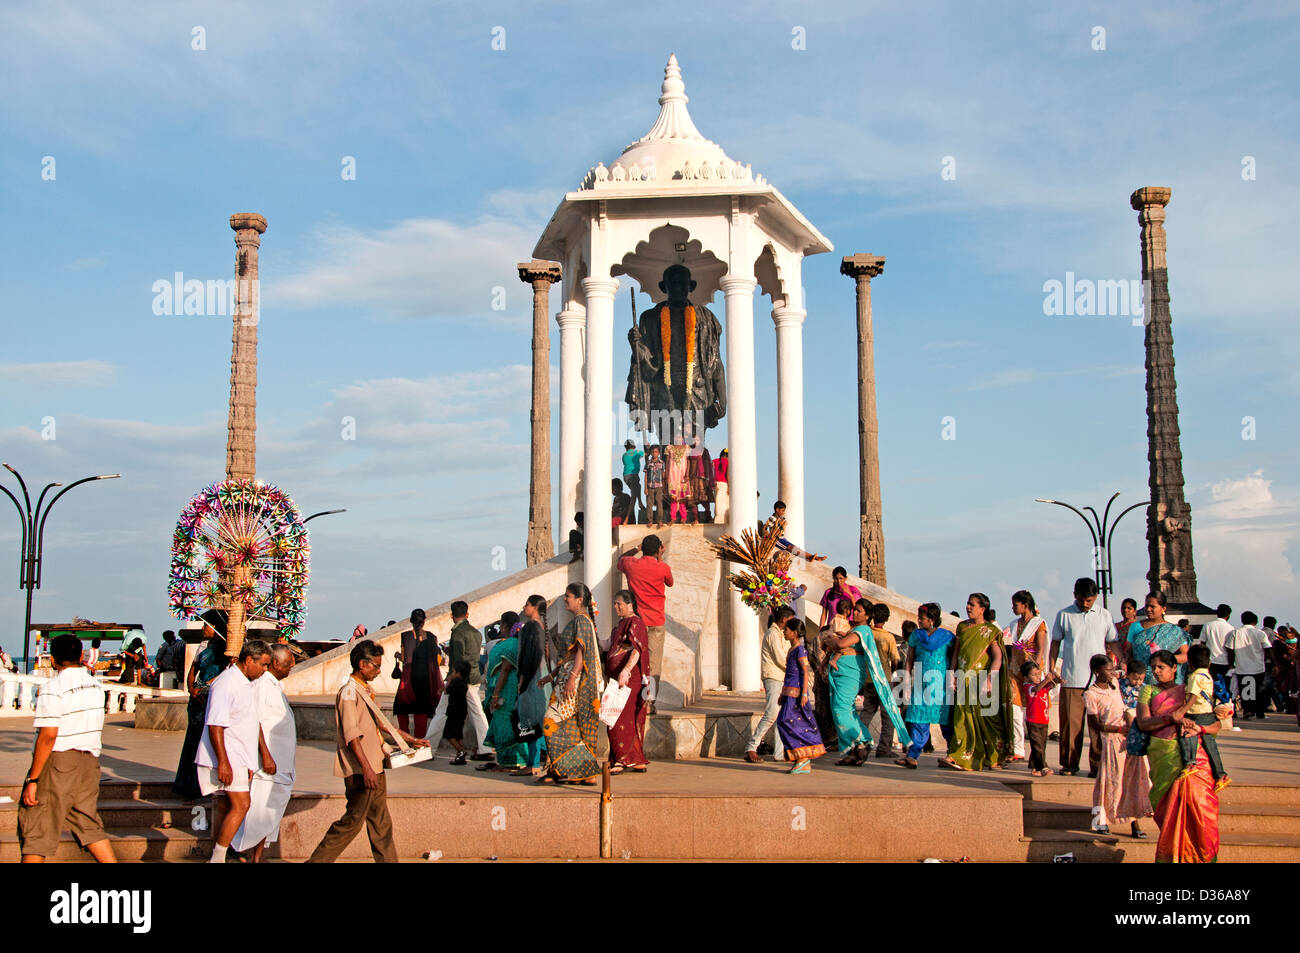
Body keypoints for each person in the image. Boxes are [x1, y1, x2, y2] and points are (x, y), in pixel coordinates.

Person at [308, 640, 429, 863]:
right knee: (351, 822)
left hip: (374, 766)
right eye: (375, 666)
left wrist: (411, 740)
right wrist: (366, 769)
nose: (378, 670)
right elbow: (352, 735)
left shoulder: (363, 690)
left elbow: (382, 724)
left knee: (380, 822)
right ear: (362, 664)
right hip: (362, 770)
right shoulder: (349, 693)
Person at [17, 634, 116, 864]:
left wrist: (33, 779)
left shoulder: (54, 688)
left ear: (53, 660)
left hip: (59, 762)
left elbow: (48, 736)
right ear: (81, 655)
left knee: (37, 827)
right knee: (87, 823)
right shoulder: (96, 686)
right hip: (89, 762)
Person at [1135, 649, 1222, 862]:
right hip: (1163, 754)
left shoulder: (1189, 691)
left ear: (1175, 668)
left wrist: (1200, 729)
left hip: (1193, 757)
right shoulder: (1148, 691)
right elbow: (1143, 723)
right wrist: (1170, 719)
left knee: (1202, 809)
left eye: (1161, 667)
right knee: (1169, 811)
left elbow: (1215, 724)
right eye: (1153, 667)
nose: (1156, 672)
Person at [196, 638, 272, 863]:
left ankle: (219, 852)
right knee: (242, 804)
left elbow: (247, 723)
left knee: (225, 804)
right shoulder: (227, 683)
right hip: (228, 756)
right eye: (263, 665)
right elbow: (215, 724)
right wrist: (224, 762)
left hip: (238, 756)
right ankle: (218, 857)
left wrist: (250, 761)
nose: (265, 670)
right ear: (249, 660)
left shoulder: (245, 682)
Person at [231, 643, 297, 862]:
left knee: (269, 817)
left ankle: (256, 857)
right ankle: (238, 852)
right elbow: (254, 722)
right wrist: (266, 755)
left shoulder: (274, 686)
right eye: (289, 662)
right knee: (259, 816)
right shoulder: (261, 686)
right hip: (267, 765)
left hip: (281, 764)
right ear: (276, 664)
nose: (292, 666)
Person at [1050, 577, 1117, 776]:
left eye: (1089, 600)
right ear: (1075, 596)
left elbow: (1113, 641)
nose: (1085, 604)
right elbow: (1055, 643)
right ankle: (1069, 764)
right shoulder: (1064, 615)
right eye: (1082, 600)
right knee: (1071, 725)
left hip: (1099, 682)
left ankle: (1097, 767)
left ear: (1096, 597)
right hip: (1072, 677)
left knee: (1098, 727)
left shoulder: (1104, 615)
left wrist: (1120, 662)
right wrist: (1052, 668)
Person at [538, 583, 602, 784]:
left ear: (580, 600)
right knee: (573, 727)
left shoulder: (582, 621)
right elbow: (571, 654)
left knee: (551, 721)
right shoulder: (580, 621)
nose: (565, 599)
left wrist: (572, 678)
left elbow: (581, 652)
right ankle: (577, 771)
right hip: (568, 679)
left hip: (575, 683)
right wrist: (552, 675)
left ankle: (575, 771)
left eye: (568, 596)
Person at [943, 593, 1009, 771]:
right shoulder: (962, 627)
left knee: (987, 720)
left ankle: (993, 757)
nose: (968, 607)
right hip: (963, 679)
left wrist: (990, 678)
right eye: (967, 603)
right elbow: (957, 651)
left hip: (981, 681)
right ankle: (957, 756)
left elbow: (997, 657)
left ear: (982, 608)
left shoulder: (991, 631)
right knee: (961, 719)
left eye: (972, 604)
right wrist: (952, 673)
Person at [425, 602, 493, 760]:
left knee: (441, 714)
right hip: (473, 677)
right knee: (477, 714)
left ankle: (429, 748)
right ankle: (485, 748)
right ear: (467, 614)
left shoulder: (457, 633)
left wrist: (448, 683)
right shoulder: (476, 633)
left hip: (459, 680)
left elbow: (458, 662)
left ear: (451, 615)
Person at [172, 624, 227, 799]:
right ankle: (187, 783)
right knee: (192, 739)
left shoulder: (227, 649)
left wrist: (206, 686)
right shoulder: (204, 645)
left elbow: (227, 672)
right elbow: (193, 668)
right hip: (197, 697)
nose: (204, 628)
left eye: (207, 626)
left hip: (211, 695)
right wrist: (191, 687)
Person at [897, 602, 955, 769]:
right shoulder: (916, 636)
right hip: (921, 684)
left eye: (921, 618)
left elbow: (954, 657)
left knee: (946, 721)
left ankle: (952, 754)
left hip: (941, 684)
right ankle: (912, 756)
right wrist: (906, 680)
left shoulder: (948, 637)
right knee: (918, 719)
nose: (919, 621)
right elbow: (910, 659)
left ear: (932, 619)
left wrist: (952, 676)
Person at [1084, 654, 1137, 836]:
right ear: (1097, 672)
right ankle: (1100, 820)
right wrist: (1118, 729)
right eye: (1108, 669)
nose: (1112, 672)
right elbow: (1095, 724)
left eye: (1113, 668)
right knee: (1107, 782)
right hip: (1110, 741)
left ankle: (1134, 823)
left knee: (1130, 780)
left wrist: (1130, 723)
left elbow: (1123, 709)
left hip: (1126, 739)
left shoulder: (1114, 686)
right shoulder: (1091, 694)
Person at [618, 534, 673, 704]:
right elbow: (670, 582)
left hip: (637, 622)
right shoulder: (662, 567)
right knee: (653, 664)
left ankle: (633, 700)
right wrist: (660, 557)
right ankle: (649, 701)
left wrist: (637, 548)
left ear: (643, 548)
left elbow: (621, 558)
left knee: (633, 661)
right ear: (658, 549)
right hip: (656, 621)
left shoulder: (631, 564)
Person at [606, 589, 651, 772]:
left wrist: (625, 671)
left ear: (630, 604)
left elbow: (636, 649)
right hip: (616, 679)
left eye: (619, 604)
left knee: (619, 717)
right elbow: (609, 646)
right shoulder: (619, 626)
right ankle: (636, 759)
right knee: (618, 717)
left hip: (628, 680)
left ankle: (623, 760)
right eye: (615, 604)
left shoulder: (636, 623)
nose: (616, 606)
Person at [825, 600, 875, 765]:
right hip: (841, 670)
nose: (856, 613)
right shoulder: (852, 628)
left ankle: (862, 740)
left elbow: (840, 644)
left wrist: (831, 642)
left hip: (851, 672)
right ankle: (853, 750)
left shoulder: (863, 630)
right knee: (843, 708)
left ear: (867, 615)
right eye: (856, 610)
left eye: (860, 611)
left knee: (841, 707)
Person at [744, 606, 795, 763]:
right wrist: (797, 668)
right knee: (772, 713)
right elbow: (781, 659)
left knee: (781, 716)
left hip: (783, 677)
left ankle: (780, 753)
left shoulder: (782, 634)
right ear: (784, 620)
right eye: (791, 620)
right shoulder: (772, 633)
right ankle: (752, 746)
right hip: (773, 677)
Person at [777, 616, 825, 774]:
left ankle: (803, 757)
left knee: (786, 721)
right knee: (786, 721)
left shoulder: (800, 650)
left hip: (797, 693)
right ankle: (801, 758)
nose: (784, 632)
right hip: (789, 692)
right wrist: (783, 693)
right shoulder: (792, 649)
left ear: (795, 633)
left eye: (787, 630)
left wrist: (804, 693)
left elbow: (804, 671)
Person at [1005, 590, 1048, 763]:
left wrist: (1035, 670)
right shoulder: (1015, 625)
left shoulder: (1038, 624)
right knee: (1014, 710)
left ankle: (1037, 754)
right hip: (1015, 671)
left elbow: (1040, 647)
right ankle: (1018, 748)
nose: (1013, 608)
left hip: (1031, 672)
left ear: (1025, 605)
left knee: (1034, 713)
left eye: (1016, 605)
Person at [1180, 643, 1229, 787]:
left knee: (1188, 735)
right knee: (1210, 745)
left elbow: (1193, 696)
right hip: (1208, 713)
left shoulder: (1195, 676)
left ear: (1190, 663)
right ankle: (1220, 775)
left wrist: (1183, 711)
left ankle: (1189, 763)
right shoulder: (1207, 675)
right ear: (1209, 662)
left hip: (1196, 713)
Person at [481, 617, 526, 771]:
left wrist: (495, 695)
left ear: (505, 626)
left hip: (505, 689)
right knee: (515, 723)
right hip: (517, 687)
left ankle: (509, 763)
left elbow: (505, 670)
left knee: (504, 723)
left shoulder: (507, 645)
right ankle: (522, 761)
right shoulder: (521, 643)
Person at [392, 608, 443, 740]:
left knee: (401, 708)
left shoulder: (406, 636)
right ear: (424, 621)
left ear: (411, 621)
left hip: (408, 678)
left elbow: (404, 657)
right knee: (421, 711)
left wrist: (397, 655)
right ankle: (419, 740)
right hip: (425, 678)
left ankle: (405, 738)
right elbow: (436, 659)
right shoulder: (432, 637)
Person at [1117, 659, 1153, 838]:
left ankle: (1143, 811)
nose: (1137, 682)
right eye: (1135, 679)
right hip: (1123, 729)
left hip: (1141, 729)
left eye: (1141, 679)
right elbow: (1120, 707)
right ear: (1127, 674)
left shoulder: (1147, 689)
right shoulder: (1119, 687)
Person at [863, 603, 902, 758]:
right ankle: (884, 748)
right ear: (886, 619)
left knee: (867, 712)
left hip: (868, 678)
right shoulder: (887, 637)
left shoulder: (867, 633)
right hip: (884, 680)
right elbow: (895, 660)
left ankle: (861, 744)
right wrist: (891, 674)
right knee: (888, 715)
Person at [1125, 592, 1189, 686]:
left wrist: (1165, 659)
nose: (1148, 609)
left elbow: (1185, 655)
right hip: (1139, 681)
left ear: (1163, 609)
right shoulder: (1135, 626)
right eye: (1146, 606)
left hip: (1165, 682)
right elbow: (1128, 652)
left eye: (1152, 606)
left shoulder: (1174, 631)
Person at [513, 613, 549, 776]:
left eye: (527, 604)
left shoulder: (531, 628)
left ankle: (533, 764)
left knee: (532, 724)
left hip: (532, 682)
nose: (524, 608)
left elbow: (526, 657)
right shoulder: (543, 629)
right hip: (544, 681)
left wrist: (522, 680)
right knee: (541, 724)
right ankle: (547, 758)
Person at [1227, 611, 1272, 720]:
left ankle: (1248, 711)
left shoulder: (1235, 633)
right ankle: (1260, 713)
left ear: (1242, 620)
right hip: (1258, 667)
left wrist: (1231, 664)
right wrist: (1267, 660)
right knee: (1259, 691)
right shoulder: (1260, 633)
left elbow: (1230, 650)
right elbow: (1268, 649)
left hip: (1242, 667)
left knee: (1246, 691)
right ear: (1255, 621)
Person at [1021, 660, 1058, 776]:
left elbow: (1050, 685)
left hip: (1044, 720)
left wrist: (1056, 679)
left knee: (1041, 744)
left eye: (1038, 674)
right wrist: (1045, 680)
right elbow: (1036, 690)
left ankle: (1035, 766)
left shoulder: (1042, 686)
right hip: (1033, 721)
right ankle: (1042, 767)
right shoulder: (1028, 686)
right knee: (1037, 745)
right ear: (1026, 677)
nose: (1037, 677)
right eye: (1033, 675)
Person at [443, 662, 472, 765]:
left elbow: (446, 691)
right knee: (458, 735)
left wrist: (449, 680)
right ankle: (460, 755)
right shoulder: (464, 683)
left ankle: (461, 751)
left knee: (448, 734)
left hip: (454, 712)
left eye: (454, 672)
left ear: (458, 673)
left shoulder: (455, 683)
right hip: (461, 712)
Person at [1200, 603, 1234, 685]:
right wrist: (1231, 664)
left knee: (1211, 685)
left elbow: (1203, 643)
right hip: (1225, 662)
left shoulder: (1208, 625)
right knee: (1224, 687)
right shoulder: (1231, 628)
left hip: (1211, 661)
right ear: (1228, 615)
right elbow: (1231, 649)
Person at [665, 440, 691, 523]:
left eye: (680, 437)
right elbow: (667, 461)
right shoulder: (669, 448)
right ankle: (673, 517)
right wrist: (666, 474)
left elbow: (688, 461)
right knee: (673, 497)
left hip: (682, 475)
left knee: (682, 498)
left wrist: (687, 474)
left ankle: (684, 517)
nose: (678, 439)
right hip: (672, 474)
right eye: (676, 437)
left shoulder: (686, 448)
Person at [644, 444, 666, 528]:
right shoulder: (648, 463)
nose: (654, 453)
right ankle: (650, 520)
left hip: (659, 486)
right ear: (650, 453)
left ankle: (660, 520)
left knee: (659, 503)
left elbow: (663, 475)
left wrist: (664, 487)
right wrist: (645, 488)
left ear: (659, 453)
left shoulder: (662, 463)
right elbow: (646, 475)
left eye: (656, 452)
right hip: (650, 486)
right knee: (649, 504)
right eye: (652, 452)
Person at [622, 439, 644, 521]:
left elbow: (625, 463)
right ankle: (627, 518)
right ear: (634, 446)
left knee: (638, 486)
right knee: (633, 497)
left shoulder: (624, 455)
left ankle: (640, 503)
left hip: (626, 476)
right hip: (633, 475)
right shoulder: (637, 452)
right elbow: (645, 454)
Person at [713, 447, 729, 522]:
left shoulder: (714, 461)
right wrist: (729, 487)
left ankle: (717, 519)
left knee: (718, 502)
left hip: (715, 484)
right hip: (724, 484)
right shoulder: (727, 462)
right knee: (723, 503)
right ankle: (722, 520)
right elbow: (727, 475)